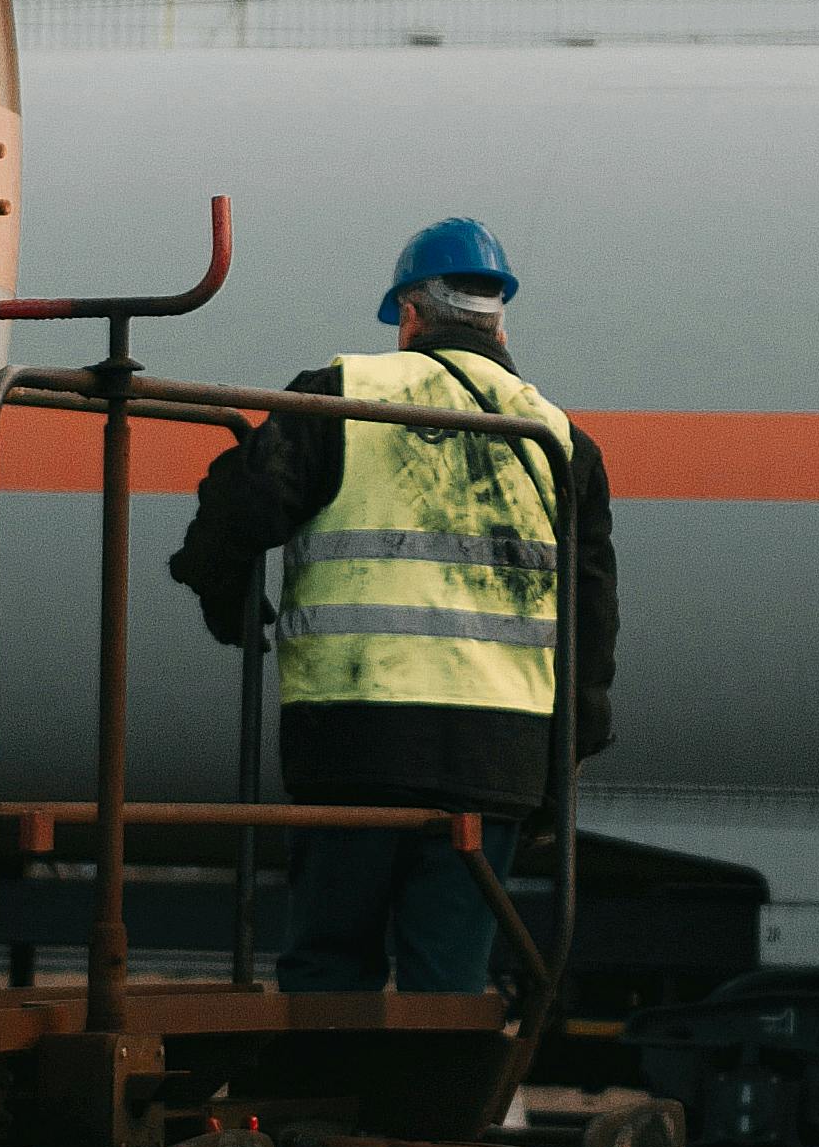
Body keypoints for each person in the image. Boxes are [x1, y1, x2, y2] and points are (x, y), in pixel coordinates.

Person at [167, 213, 617, 994]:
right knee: (447, 985)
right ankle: (432, 1079)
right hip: (493, 764)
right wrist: (560, 768)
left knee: (328, 969)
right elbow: (592, 625)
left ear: (410, 315)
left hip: (355, 747)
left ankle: (329, 1072)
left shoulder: (344, 399)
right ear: (498, 322)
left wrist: (225, 596)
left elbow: (238, 507)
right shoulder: (559, 441)